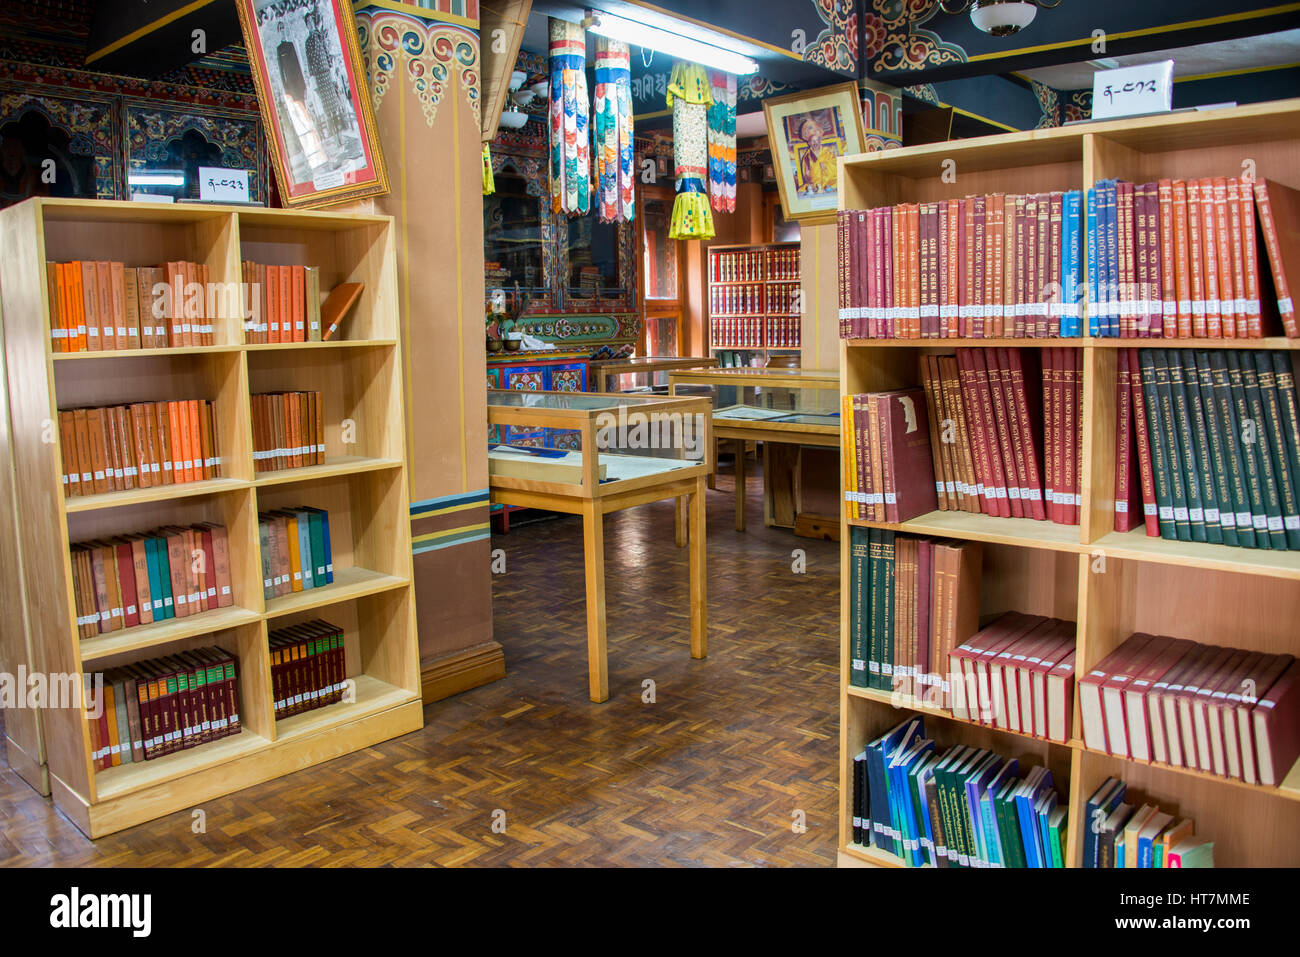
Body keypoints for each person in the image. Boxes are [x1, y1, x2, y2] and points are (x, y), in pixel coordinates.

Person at [795, 116, 837, 196]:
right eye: (812, 141)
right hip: (815, 183)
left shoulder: (827, 152)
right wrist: (810, 183)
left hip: (829, 181)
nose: (815, 143)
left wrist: (826, 165)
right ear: (809, 143)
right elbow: (807, 175)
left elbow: (836, 165)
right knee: (802, 190)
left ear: (820, 141)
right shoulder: (807, 157)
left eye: (817, 140)